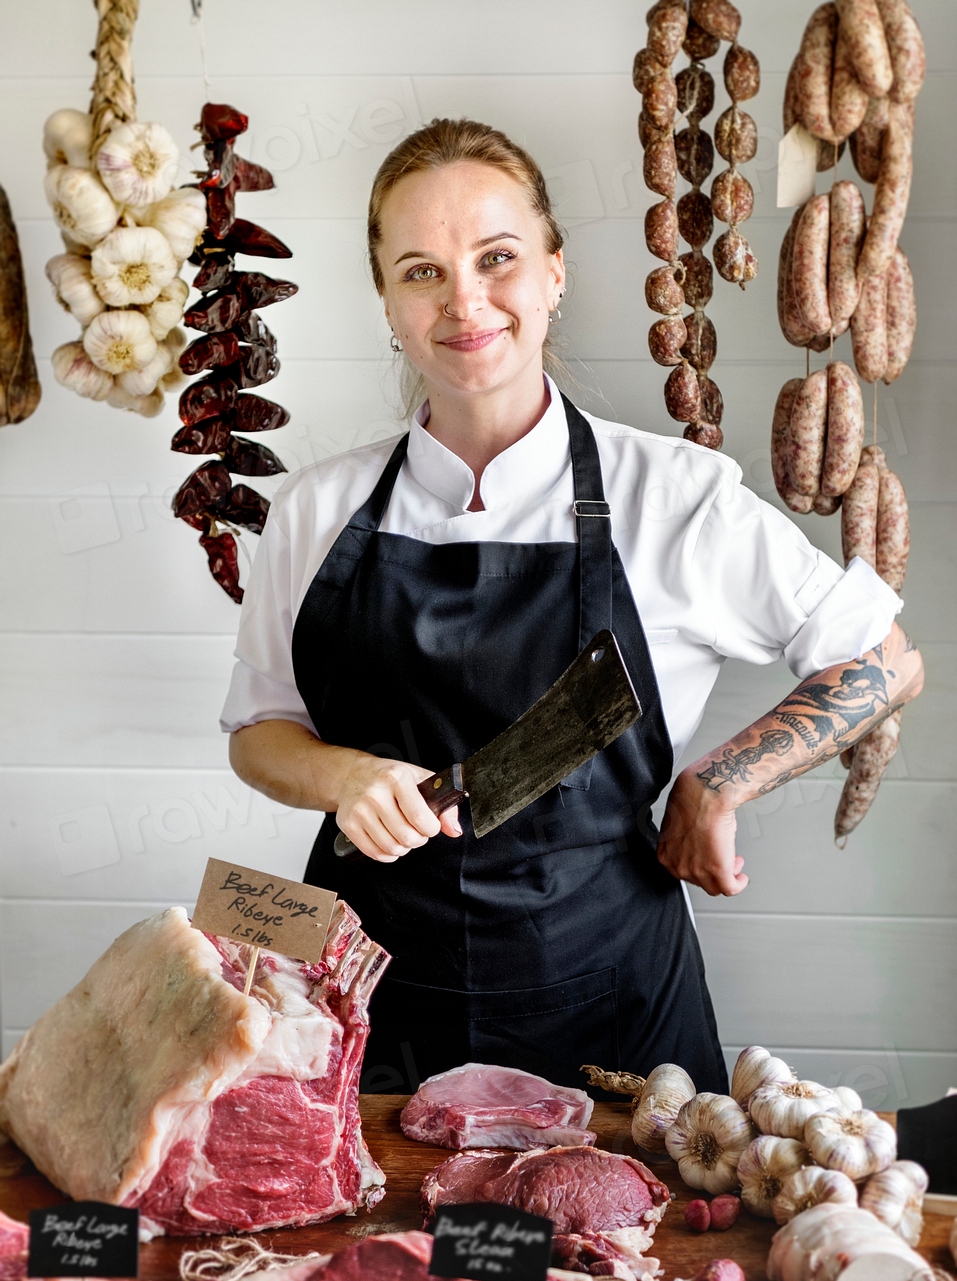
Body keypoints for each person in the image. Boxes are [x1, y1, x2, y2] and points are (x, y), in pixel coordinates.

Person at [222, 118, 922, 1095]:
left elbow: (884, 656)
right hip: (367, 1000)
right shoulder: (315, 508)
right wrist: (346, 775)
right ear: (386, 300)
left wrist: (716, 784)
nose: (464, 300)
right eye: (421, 271)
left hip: (609, 1005)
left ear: (554, 274)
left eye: (496, 258)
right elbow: (258, 734)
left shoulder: (674, 495)